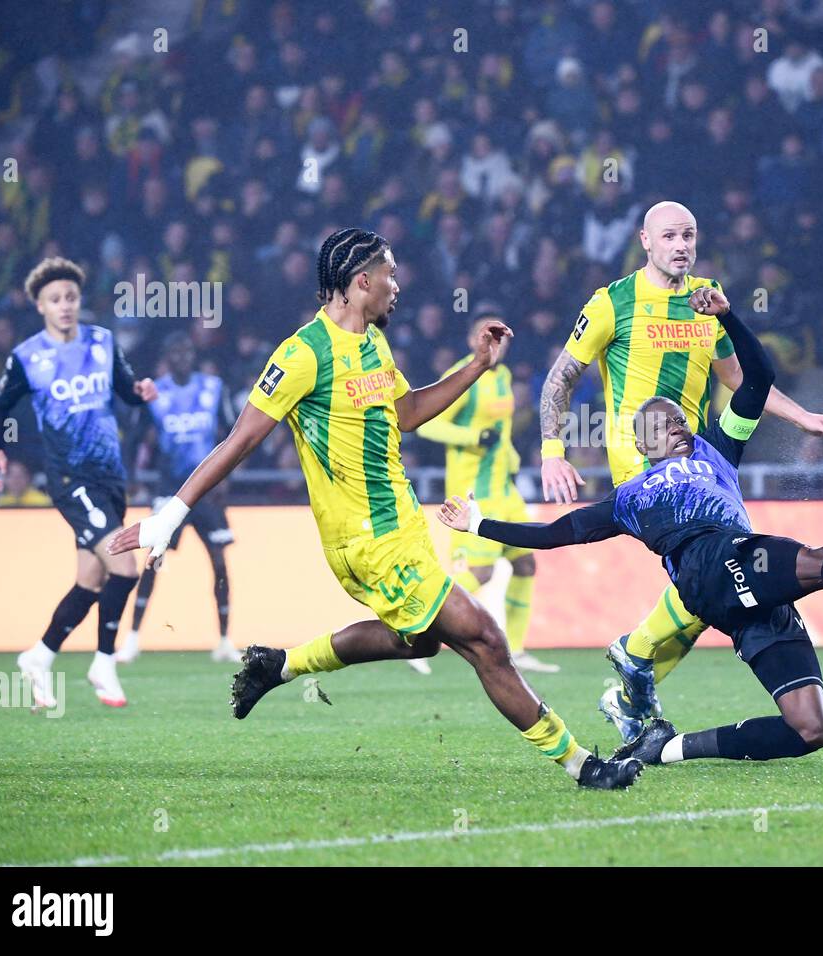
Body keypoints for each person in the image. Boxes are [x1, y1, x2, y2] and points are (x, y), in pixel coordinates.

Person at [107, 228, 640, 790]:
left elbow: (408, 412)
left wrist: (477, 365)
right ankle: (583, 764)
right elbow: (238, 440)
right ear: (361, 281)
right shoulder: (302, 354)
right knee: (484, 638)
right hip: (365, 540)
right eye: (390, 273)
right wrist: (168, 518)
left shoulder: (373, 343)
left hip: (403, 528)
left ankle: (282, 664)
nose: (397, 285)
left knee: (421, 640)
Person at [441, 286, 823, 766]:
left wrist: (729, 318)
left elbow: (758, 381)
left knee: (811, 728)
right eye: (662, 425)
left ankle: (669, 749)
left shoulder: (717, 448)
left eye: (679, 418)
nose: (676, 426)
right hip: (712, 565)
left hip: (740, 583)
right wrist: (480, 523)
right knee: (817, 561)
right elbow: (556, 534)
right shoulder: (630, 497)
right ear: (643, 444)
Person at [537, 199, 823, 742]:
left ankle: (631, 684)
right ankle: (635, 651)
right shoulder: (613, 302)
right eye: (669, 236)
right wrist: (552, 450)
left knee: (711, 586)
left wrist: (802, 417)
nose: (681, 245)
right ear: (645, 241)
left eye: (689, 235)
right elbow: (561, 378)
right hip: (645, 466)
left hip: (698, 462)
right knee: (717, 575)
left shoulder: (710, 301)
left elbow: (737, 377)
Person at [0, 257, 158, 709]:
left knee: (90, 579)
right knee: (125, 566)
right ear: (41, 306)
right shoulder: (28, 357)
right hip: (69, 477)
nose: (65, 306)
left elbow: (124, 390)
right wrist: (0, 450)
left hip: (109, 476)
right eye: (55, 300)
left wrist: (140, 391)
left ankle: (39, 656)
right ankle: (103, 661)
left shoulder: (102, 343)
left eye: (70, 298)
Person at [415, 306, 558, 675]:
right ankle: (414, 634)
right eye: (485, 334)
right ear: (470, 339)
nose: (494, 343)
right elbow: (424, 424)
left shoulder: (504, 375)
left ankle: (519, 650)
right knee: (479, 574)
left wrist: (508, 455)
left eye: (499, 336)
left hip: (504, 490)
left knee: (525, 563)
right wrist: (472, 436)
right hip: (473, 491)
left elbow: (502, 429)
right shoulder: (462, 376)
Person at [117, 331, 239, 664]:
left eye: (187, 351)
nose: (182, 357)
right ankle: (132, 639)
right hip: (170, 491)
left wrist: (229, 478)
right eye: (176, 352)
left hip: (208, 491)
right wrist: (129, 476)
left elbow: (235, 433)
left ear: (194, 356)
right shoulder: (156, 393)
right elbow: (134, 438)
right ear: (167, 359)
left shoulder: (213, 389)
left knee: (218, 561)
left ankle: (225, 640)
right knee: (154, 560)